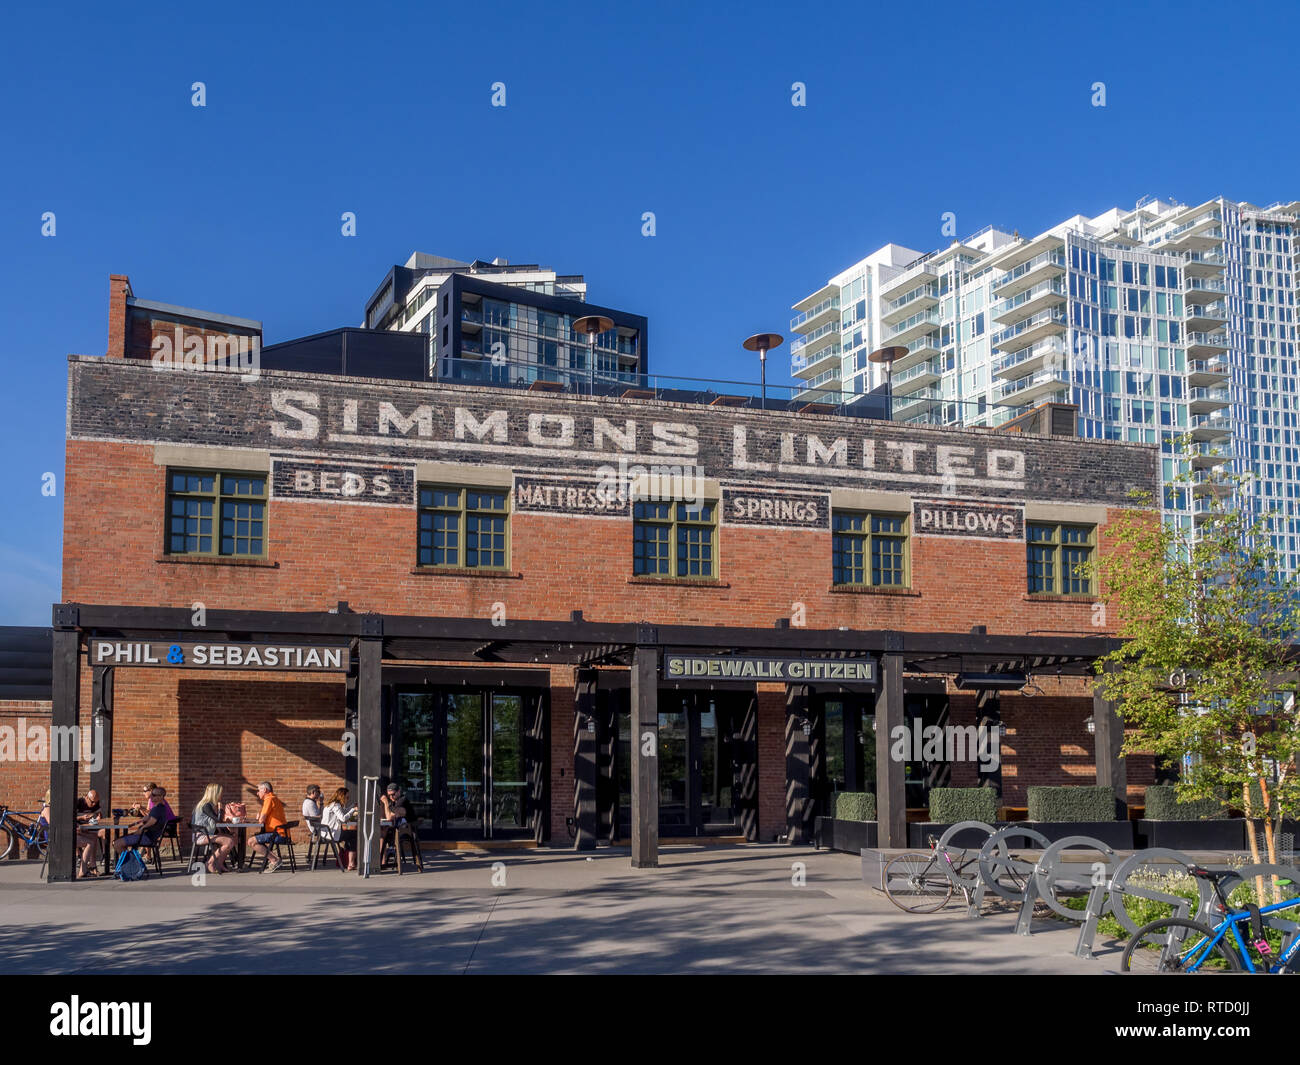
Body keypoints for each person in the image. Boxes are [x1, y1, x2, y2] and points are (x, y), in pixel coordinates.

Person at [112, 787, 169, 860]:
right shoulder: (160, 807)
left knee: (117, 843)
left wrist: (140, 829)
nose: (151, 796)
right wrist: (145, 818)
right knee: (118, 841)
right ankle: (132, 863)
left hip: (147, 838)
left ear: (161, 796)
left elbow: (152, 822)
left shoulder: (157, 809)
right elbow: (151, 818)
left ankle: (132, 864)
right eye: (152, 794)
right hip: (149, 837)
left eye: (154, 795)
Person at [192, 783, 235, 874]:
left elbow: (216, 821)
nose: (221, 795)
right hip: (201, 835)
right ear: (215, 793)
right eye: (220, 793)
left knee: (231, 839)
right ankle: (210, 863)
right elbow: (218, 820)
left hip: (206, 833)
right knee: (229, 841)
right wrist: (221, 809)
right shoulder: (206, 805)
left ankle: (219, 864)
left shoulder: (208, 804)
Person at [379, 782, 422, 871]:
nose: (391, 797)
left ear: (398, 792)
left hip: (407, 831)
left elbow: (389, 817)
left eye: (393, 794)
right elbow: (387, 816)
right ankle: (381, 862)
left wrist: (386, 803)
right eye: (389, 795)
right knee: (382, 834)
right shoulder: (393, 802)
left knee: (383, 835)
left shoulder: (402, 800)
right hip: (398, 830)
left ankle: (382, 861)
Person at [249, 781, 289, 872]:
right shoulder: (274, 798)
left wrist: (260, 818)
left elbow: (261, 819)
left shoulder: (269, 799)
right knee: (256, 838)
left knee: (251, 841)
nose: (257, 793)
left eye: (259, 790)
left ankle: (275, 860)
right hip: (281, 833)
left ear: (265, 790)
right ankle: (275, 858)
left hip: (278, 834)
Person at [321, 787, 359, 871]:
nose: (347, 799)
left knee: (350, 835)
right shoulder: (336, 805)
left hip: (326, 833)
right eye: (347, 797)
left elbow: (343, 811)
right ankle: (351, 863)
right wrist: (353, 810)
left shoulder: (331, 804)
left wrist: (352, 806)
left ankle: (349, 861)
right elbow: (343, 818)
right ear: (342, 796)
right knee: (354, 836)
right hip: (332, 834)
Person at [75, 787, 104, 878]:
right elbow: (70, 817)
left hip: (89, 827)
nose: (94, 804)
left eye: (96, 802)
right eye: (92, 802)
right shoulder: (78, 802)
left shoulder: (96, 803)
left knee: (100, 833)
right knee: (91, 840)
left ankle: (93, 865)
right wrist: (82, 818)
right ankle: (87, 868)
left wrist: (97, 819)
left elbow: (99, 816)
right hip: (78, 829)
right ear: (86, 797)